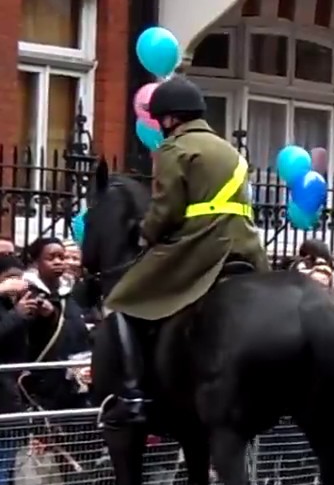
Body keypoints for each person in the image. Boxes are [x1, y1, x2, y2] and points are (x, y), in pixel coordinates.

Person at [101, 75, 270, 425]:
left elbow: (167, 210)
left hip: (203, 247)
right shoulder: (231, 152)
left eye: (160, 119)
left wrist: (146, 235)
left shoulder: (175, 148)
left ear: (169, 118)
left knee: (121, 301)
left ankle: (134, 396)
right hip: (248, 249)